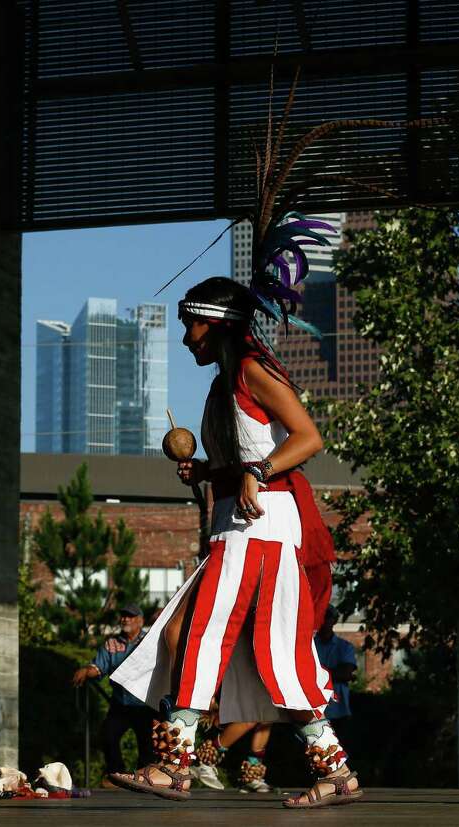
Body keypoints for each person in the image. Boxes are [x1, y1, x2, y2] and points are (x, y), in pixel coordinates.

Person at [109, 274, 357, 808]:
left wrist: (259, 471)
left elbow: (309, 437)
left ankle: (174, 764)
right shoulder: (226, 381)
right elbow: (244, 457)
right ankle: (334, 772)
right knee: (209, 638)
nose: (185, 339)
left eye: (191, 326)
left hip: (261, 526)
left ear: (215, 322)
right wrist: (209, 470)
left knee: (205, 632)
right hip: (239, 524)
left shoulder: (249, 370)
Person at [71, 604, 158, 782]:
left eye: (130, 616)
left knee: (148, 744)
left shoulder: (151, 642)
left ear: (140, 621)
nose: (125, 619)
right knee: (108, 734)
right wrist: (86, 670)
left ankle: (144, 779)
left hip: (146, 704)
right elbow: (99, 667)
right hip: (121, 704)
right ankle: (117, 775)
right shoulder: (111, 644)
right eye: (123, 615)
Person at [314, 606, 358, 731]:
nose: (324, 621)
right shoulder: (309, 645)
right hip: (315, 706)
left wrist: (318, 673)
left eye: (327, 617)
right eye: (321, 617)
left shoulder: (345, 647)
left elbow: (346, 672)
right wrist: (335, 672)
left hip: (339, 709)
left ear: (334, 620)